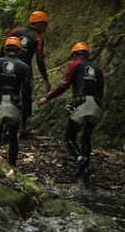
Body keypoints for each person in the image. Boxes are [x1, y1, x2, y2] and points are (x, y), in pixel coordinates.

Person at [38, 42, 104, 185]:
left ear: (75, 55)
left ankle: (80, 158)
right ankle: (83, 174)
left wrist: (47, 97)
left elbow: (64, 85)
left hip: (81, 105)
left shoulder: (75, 65)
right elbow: (101, 91)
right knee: (86, 138)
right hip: (96, 107)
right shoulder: (98, 69)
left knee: (69, 137)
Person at [0, 36, 31, 167]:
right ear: (20, 50)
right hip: (14, 104)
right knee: (13, 138)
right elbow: (26, 93)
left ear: (4, 49)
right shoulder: (24, 67)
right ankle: (13, 167)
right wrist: (27, 115)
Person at [6, 10, 51, 136]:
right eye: (44, 25)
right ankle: (26, 127)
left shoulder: (16, 31)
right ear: (39, 24)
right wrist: (45, 79)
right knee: (26, 99)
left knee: (7, 93)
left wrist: (2, 63)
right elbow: (40, 59)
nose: (45, 28)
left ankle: (4, 125)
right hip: (25, 70)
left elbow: (3, 47)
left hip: (9, 67)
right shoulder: (38, 38)